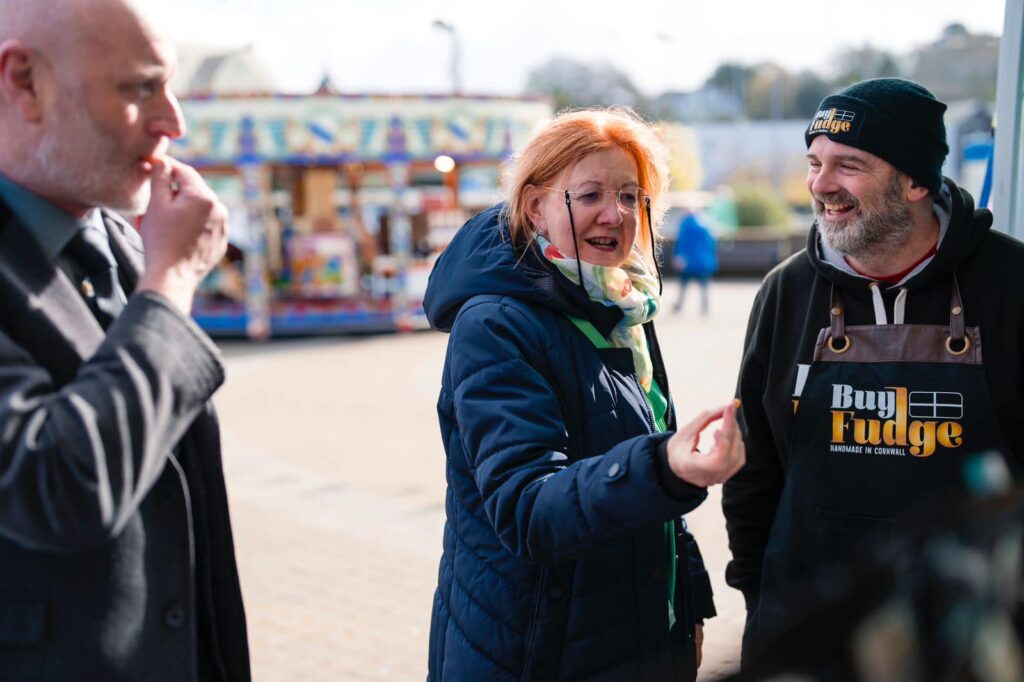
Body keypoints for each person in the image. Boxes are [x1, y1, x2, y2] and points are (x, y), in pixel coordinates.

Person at [423, 107, 745, 681]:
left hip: (631, 641)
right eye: (589, 194)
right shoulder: (496, 325)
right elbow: (527, 510)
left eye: (630, 196)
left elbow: (651, 487)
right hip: (532, 652)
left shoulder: (621, 309)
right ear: (535, 207)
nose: (614, 214)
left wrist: (688, 607)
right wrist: (665, 466)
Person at [722, 77, 1024, 663]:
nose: (821, 185)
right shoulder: (788, 291)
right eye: (814, 163)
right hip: (811, 631)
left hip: (969, 642)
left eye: (848, 165)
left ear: (916, 180)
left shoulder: (1011, 285)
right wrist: (760, 601)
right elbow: (752, 470)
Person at [0, 0, 249, 679]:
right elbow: (52, 485)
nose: (175, 122)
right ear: (24, 81)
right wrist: (169, 283)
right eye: (141, 88)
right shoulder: (156, 258)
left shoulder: (118, 237)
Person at [672, 209, 718, 314]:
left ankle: (679, 305)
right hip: (703, 262)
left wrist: (679, 257)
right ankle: (705, 307)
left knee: (683, 285)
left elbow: (682, 244)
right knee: (704, 286)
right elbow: (711, 245)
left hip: (688, 262)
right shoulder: (706, 225)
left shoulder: (685, 225)